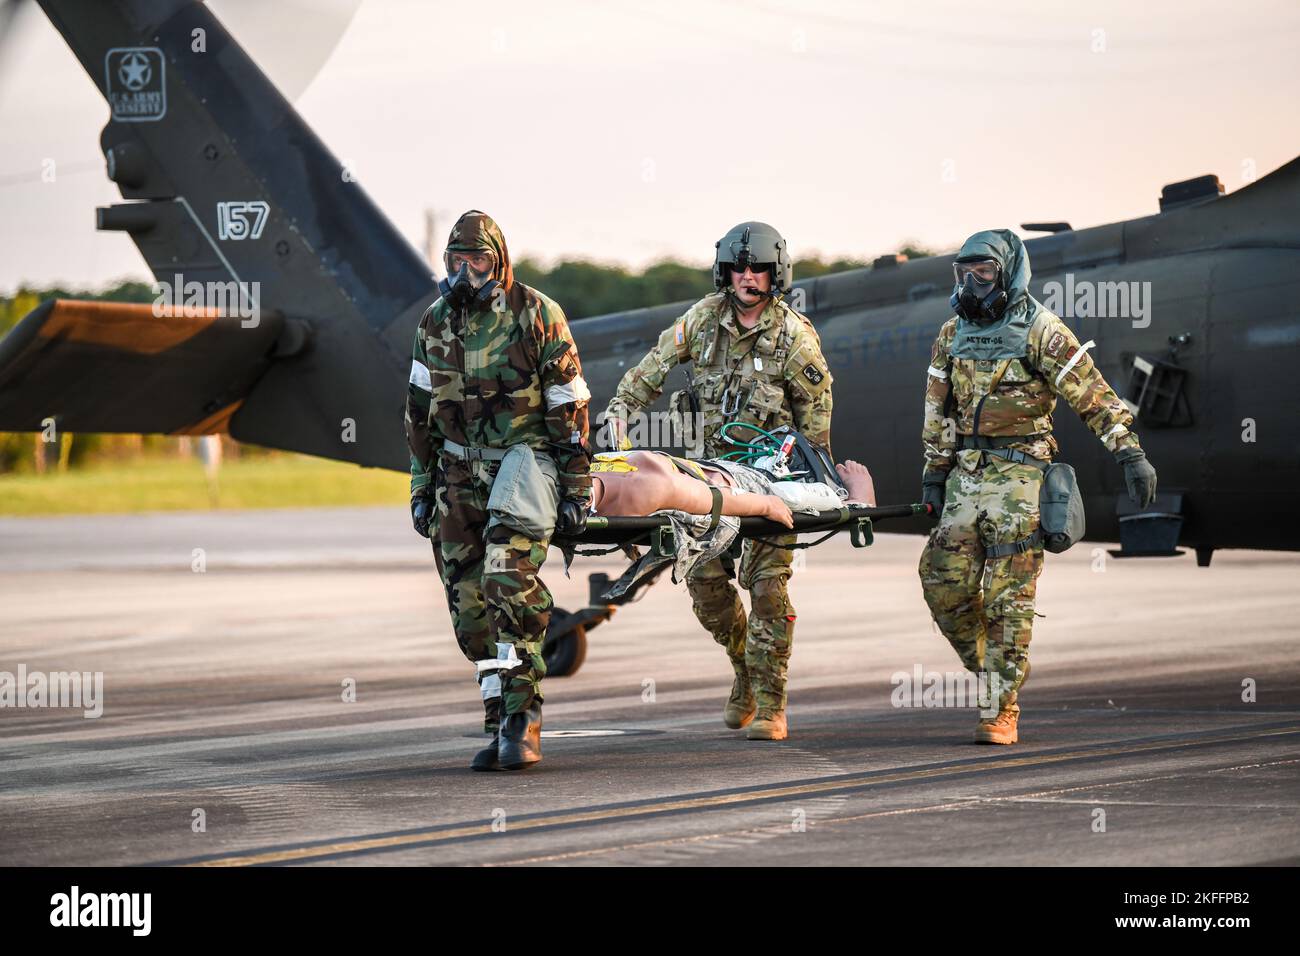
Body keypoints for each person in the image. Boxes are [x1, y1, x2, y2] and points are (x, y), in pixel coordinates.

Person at [918, 229, 1158, 745]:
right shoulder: (951, 333)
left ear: (1006, 272)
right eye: (965, 272)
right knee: (942, 582)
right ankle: (996, 673)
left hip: (1023, 476)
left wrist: (1129, 453)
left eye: (982, 271)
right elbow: (938, 407)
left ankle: (999, 709)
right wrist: (935, 473)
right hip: (967, 475)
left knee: (1009, 599)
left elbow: (1091, 393)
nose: (971, 282)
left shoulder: (1041, 330)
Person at [604, 222, 833, 741]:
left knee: (769, 591)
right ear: (724, 272)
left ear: (776, 275)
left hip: (772, 481)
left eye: (758, 269)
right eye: (738, 267)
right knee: (705, 588)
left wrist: (813, 482)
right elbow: (649, 372)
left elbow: (816, 415)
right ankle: (744, 669)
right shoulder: (701, 322)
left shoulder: (794, 337)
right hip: (710, 481)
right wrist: (619, 415)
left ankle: (772, 705)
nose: (747, 277)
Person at [405, 210, 592, 772]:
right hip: (457, 473)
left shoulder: (538, 314)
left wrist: (576, 486)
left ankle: (523, 719)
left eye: (478, 261)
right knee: (468, 606)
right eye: (456, 261)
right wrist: (421, 482)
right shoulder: (434, 322)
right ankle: (496, 717)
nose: (466, 273)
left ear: (499, 262)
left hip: (523, 461)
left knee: (506, 583)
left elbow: (569, 405)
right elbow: (418, 411)